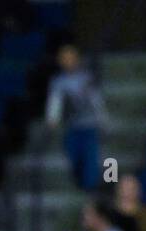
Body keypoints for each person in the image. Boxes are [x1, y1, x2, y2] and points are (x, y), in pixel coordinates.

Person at [45, 44, 106, 192]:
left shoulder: (87, 78)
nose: (68, 61)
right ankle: (79, 180)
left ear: (77, 59)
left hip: (89, 125)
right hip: (71, 126)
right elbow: (55, 101)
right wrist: (52, 118)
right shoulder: (58, 81)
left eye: (71, 58)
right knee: (73, 155)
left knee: (91, 155)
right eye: (65, 59)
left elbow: (95, 99)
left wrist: (102, 118)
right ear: (60, 61)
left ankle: (90, 187)